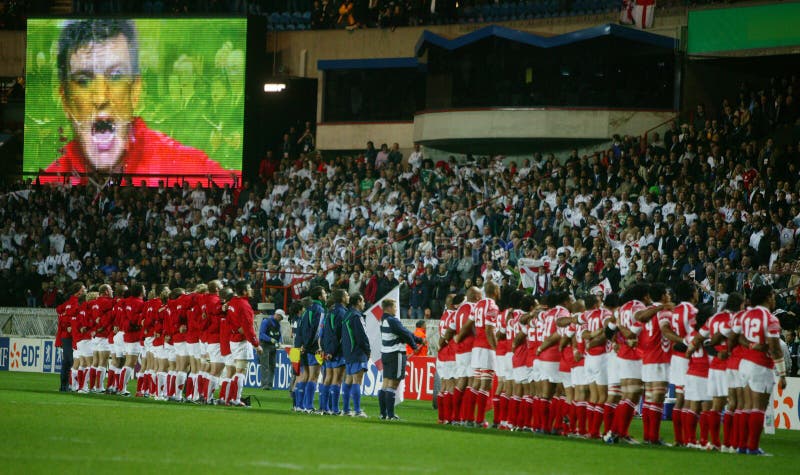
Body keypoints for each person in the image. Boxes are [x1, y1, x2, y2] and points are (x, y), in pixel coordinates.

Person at [41, 19, 239, 186]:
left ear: (135, 91)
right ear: (65, 100)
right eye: (84, 80)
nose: (101, 98)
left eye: (116, 76)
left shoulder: (186, 166)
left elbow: (236, 184)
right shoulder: (48, 181)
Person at [733, 286, 787, 455]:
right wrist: (782, 373)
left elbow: (737, 337)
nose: (774, 299)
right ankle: (753, 447)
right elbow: (775, 349)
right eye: (773, 296)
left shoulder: (745, 315)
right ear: (767, 298)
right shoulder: (771, 319)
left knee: (747, 406)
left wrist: (750, 345)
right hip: (761, 366)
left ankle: (742, 445)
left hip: (745, 364)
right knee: (759, 407)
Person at [378, 298, 422, 420]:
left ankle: (383, 414)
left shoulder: (384, 319)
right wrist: (414, 346)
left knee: (385, 384)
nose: (396, 309)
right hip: (395, 354)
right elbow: (406, 334)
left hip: (386, 354)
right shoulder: (393, 320)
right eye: (395, 307)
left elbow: (405, 332)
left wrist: (418, 339)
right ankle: (391, 415)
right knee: (393, 384)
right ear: (389, 308)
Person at [225, 280, 262, 407]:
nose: (251, 289)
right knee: (240, 371)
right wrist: (256, 344)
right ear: (244, 291)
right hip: (241, 342)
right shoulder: (244, 305)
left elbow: (228, 321)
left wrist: (235, 329)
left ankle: (228, 398)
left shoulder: (232, 303)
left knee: (235, 371)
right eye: (249, 287)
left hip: (233, 340)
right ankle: (235, 399)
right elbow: (248, 328)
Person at [341, 293, 370, 417]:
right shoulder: (357, 316)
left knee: (348, 380)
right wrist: (367, 350)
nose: (364, 303)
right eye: (362, 300)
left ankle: (346, 409)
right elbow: (361, 336)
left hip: (348, 352)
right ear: (358, 301)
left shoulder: (346, 315)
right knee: (357, 381)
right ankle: (357, 411)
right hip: (357, 352)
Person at [56, 282, 85, 392]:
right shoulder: (75, 303)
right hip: (70, 335)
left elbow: (60, 312)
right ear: (79, 292)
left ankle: (65, 386)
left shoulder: (68, 302)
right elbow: (64, 316)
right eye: (83, 289)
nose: (85, 291)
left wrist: (66, 324)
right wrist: (69, 325)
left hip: (66, 335)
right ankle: (72, 385)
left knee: (66, 361)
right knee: (70, 360)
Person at [258, 309, 284, 390]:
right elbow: (261, 334)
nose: (281, 319)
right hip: (264, 345)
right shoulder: (266, 321)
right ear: (277, 315)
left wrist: (279, 342)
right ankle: (264, 384)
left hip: (273, 346)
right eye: (281, 317)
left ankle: (269, 384)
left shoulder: (278, 324)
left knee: (272, 366)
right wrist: (270, 339)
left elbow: (279, 335)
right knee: (265, 365)